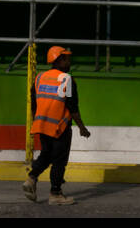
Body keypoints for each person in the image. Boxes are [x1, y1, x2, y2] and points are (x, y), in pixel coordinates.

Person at [23, 45, 90, 205]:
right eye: (67, 59)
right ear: (58, 60)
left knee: (46, 155)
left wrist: (36, 121)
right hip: (59, 127)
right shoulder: (67, 79)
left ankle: (31, 179)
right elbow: (72, 107)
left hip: (42, 125)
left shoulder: (40, 78)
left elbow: (34, 104)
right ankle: (55, 194)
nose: (69, 62)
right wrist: (82, 127)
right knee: (59, 160)